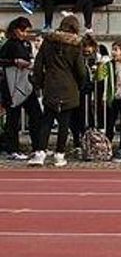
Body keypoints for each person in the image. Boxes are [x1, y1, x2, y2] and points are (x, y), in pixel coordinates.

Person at [28, 15, 89, 167]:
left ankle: (40, 152)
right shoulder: (75, 45)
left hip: (50, 84)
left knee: (47, 120)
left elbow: (38, 65)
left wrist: (39, 82)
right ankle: (59, 154)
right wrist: (80, 85)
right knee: (64, 122)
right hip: (69, 86)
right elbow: (81, 71)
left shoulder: (48, 41)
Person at [0, 17, 40, 160]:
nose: (24, 34)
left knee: (35, 114)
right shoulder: (8, 45)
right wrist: (14, 61)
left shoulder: (26, 44)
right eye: (22, 31)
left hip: (25, 83)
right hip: (11, 85)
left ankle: (38, 146)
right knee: (13, 118)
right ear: (15, 30)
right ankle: (12, 149)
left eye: (26, 31)